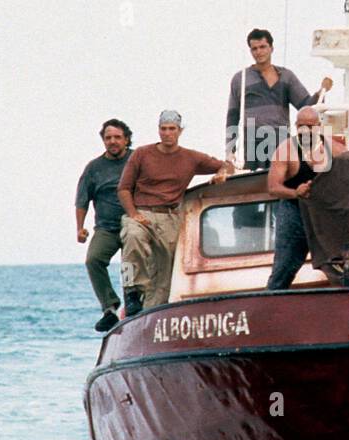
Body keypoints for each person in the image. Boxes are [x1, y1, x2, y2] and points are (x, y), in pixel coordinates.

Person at [118, 110, 234, 314]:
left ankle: (148, 313)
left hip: (170, 216)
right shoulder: (142, 154)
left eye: (172, 129)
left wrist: (222, 174)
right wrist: (133, 214)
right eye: (163, 129)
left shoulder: (191, 157)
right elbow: (123, 188)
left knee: (165, 272)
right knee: (132, 239)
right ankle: (131, 291)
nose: (167, 133)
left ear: (180, 131)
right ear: (158, 130)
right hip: (141, 213)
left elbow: (227, 166)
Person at [225, 29, 334, 170]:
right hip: (253, 140)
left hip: (281, 138)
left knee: (282, 176)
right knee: (255, 179)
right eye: (254, 49)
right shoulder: (241, 78)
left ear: (271, 48)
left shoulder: (286, 77)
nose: (259, 52)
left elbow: (306, 107)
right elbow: (232, 116)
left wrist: (321, 92)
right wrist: (229, 149)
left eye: (263, 47)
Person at [266, 107, 345, 291]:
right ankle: (270, 308)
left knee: (339, 266)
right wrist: (296, 193)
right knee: (283, 268)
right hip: (294, 211)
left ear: (319, 126)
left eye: (311, 127)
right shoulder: (285, 151)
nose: (307, 131)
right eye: (302, 127)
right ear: (296, 126)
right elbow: (272, 187)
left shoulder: (335, 150)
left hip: (324, 215)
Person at [75, 118, 133, 331]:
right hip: (106, 227)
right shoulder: (94, 168)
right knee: (93, 259)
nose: (113, 141)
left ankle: (134, 305)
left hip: (133, 224)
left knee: (131, 265)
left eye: (117, 137)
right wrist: (80, 228)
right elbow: (82, 199)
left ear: (126, 139)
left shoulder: (137, 159)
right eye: (108, 138)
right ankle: (109, 307)